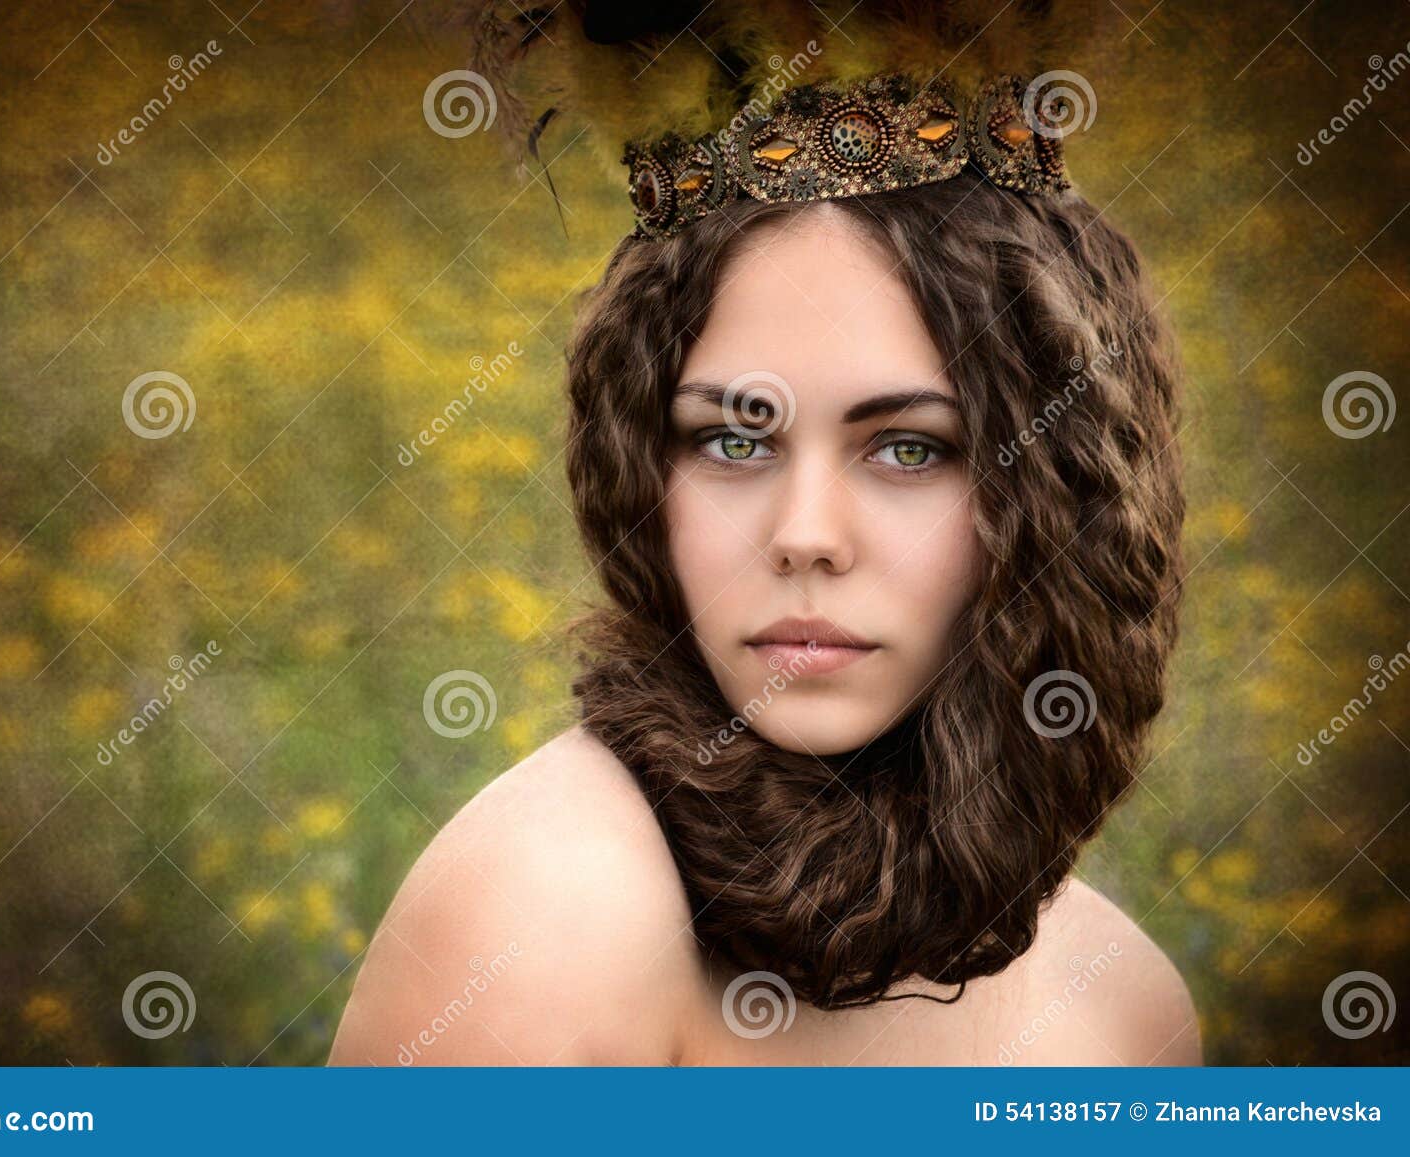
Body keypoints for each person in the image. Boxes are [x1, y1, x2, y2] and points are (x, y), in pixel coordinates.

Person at [330, 0, 1200, 1066]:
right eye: (734, 441)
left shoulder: (1124, 1006)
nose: (804, 536)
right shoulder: (547, 904)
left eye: (908, 448)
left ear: (1057, 486)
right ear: (639, 471)